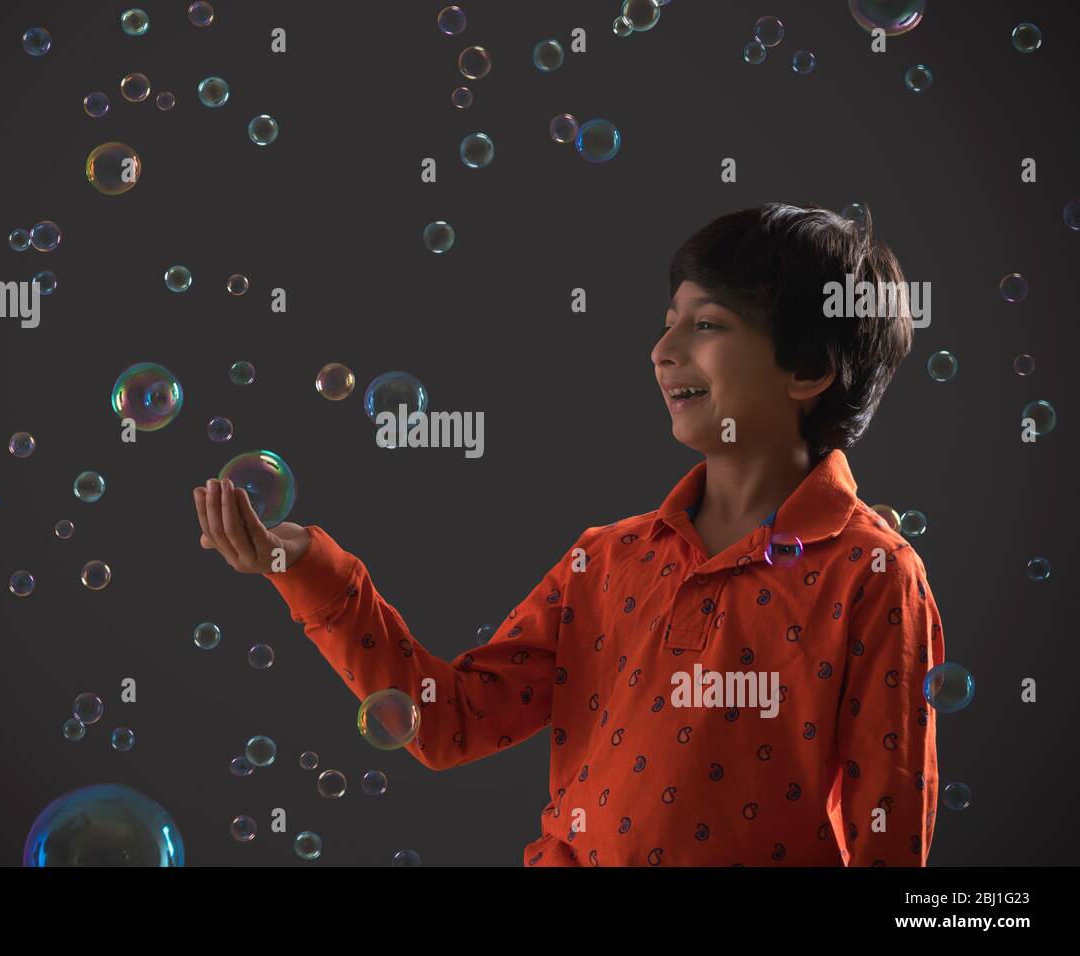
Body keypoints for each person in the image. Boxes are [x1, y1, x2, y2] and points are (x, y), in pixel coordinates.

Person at [192, 202, 944, 867]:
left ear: (808, 369)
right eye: (668, 321)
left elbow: (890, 842)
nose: (663, 349)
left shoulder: (874, 575)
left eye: (707, 324)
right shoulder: (606, 559)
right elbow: (448, 723)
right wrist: (307, 569)